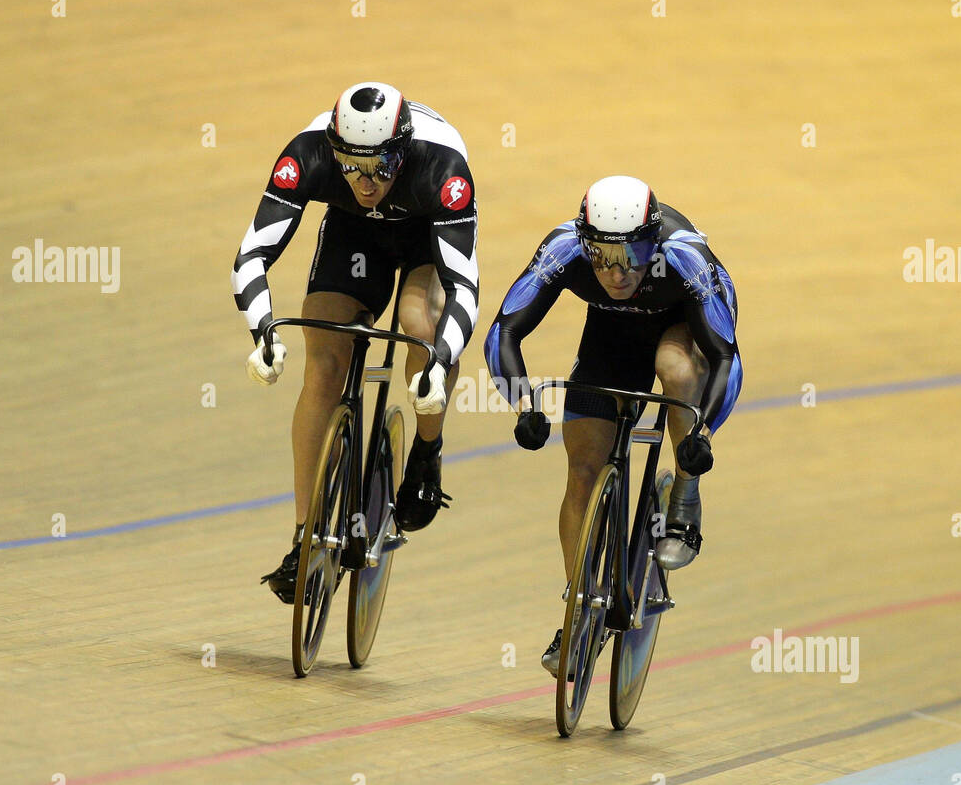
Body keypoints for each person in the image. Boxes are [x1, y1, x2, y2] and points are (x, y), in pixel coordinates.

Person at [484, 175, 742, 677]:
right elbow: (505, 329)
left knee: (676, 368)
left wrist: (700, 435)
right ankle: (579, 613)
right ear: (584, 244)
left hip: (680, 324)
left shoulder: (684, 259)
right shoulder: (564, 251)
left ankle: (684, 499)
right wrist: (523, 405)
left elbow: (726, 355)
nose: (616, 272)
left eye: (631, 255)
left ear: (654, 242)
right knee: (582, 469)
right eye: (601, 257)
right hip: (612, 333)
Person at [231, 82, 479, 601]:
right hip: (353, 236)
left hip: (421, 232)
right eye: (351, 166)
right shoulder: (308, 153)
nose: (366, 182)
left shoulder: (444, 170)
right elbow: (252, 254)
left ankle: (427, 452)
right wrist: (263, 331)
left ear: (403, 151)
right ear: (333, 148)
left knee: (419, 323)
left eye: (382, 168)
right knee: (324, 362)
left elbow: (465, 288)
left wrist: (441, 363)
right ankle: (303, 540)